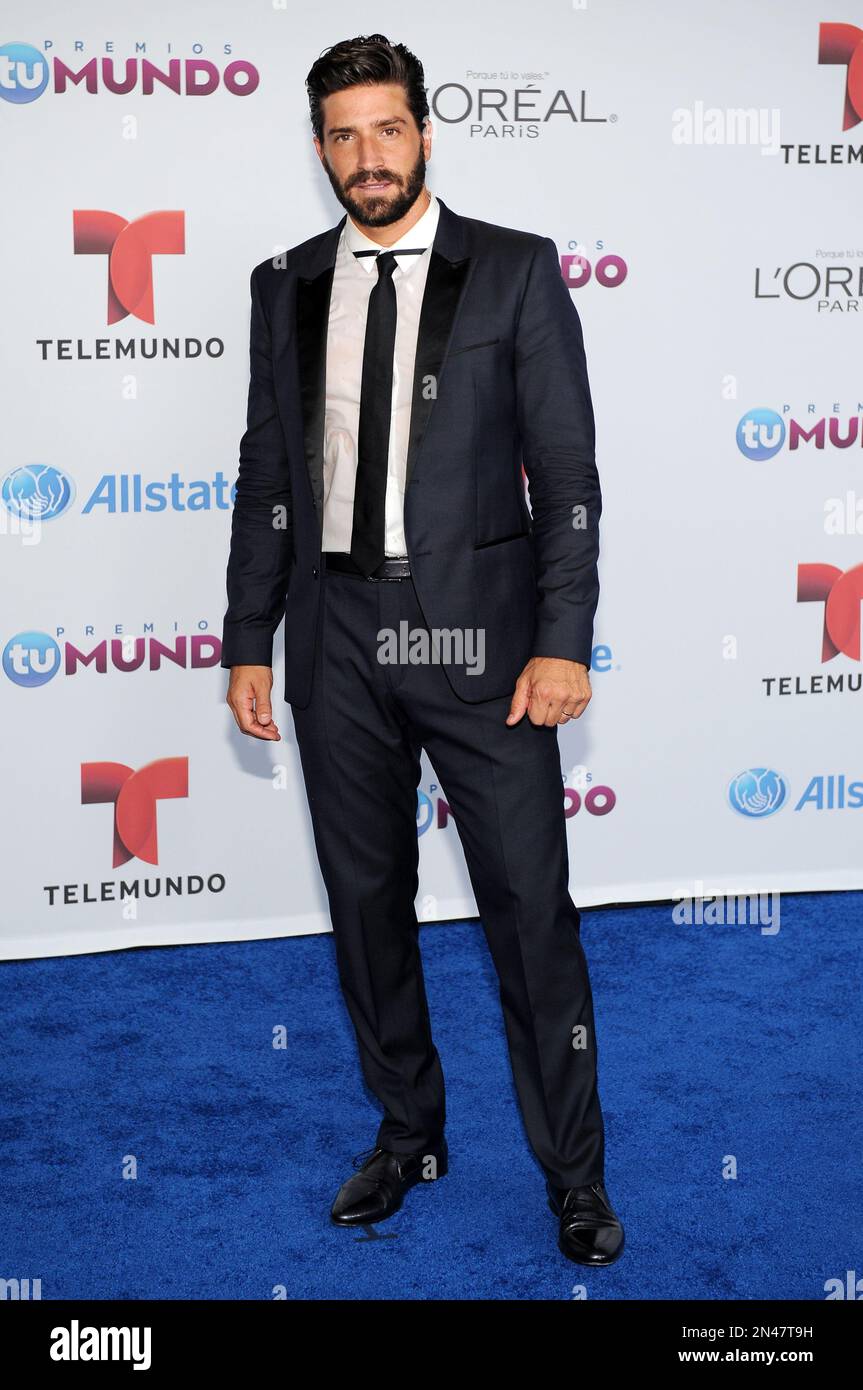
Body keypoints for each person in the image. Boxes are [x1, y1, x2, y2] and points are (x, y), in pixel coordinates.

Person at [221, 32, 624, 1267]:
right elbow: (264, 473)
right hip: (334, 636)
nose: (365, 156)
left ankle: (573, 1176)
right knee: (365, 908)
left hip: (480, 644)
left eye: (385, 129)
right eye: (341, 135)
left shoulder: (511, 271)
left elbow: (563, 477)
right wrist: (249, 636)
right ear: (318, 149)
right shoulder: (282, 281)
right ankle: (409, 1133)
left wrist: (562, 640)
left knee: (528, 917)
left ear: (424, 132)